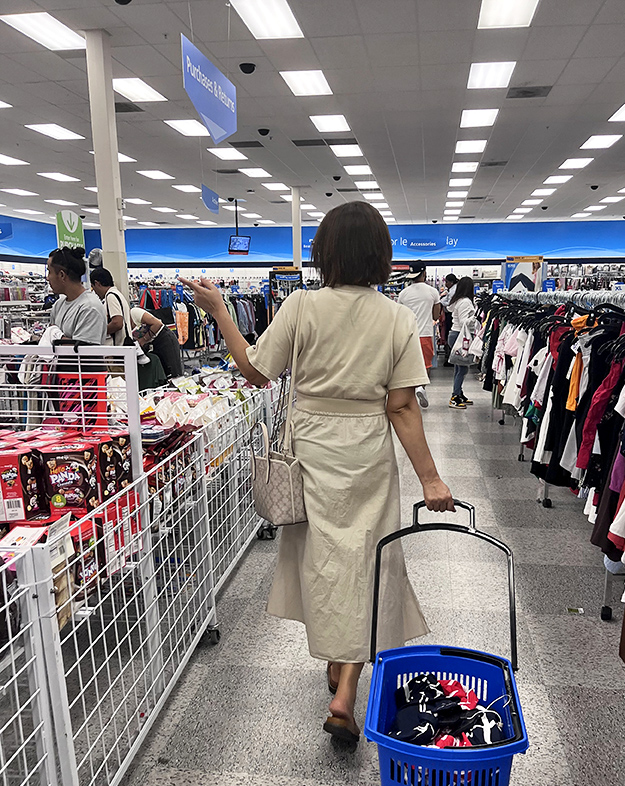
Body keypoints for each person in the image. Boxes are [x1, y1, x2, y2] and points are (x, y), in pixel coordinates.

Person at [179, 201, 455, 744]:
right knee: (368, 560)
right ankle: (346, 684)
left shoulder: (300, 307)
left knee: (326, 562)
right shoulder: (396, 317)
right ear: (382, 255)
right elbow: (401, 406)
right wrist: (430, 479)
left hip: (310, 449)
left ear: (323, 253)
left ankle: (341, 677)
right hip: (368, 455)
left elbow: (256, 370)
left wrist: (219, 312)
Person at [396, 262, 441, 408]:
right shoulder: (432, 292)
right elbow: (435, 316)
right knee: (425, 364)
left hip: (406, 335)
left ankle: (409, 393)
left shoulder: (404, 293)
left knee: (408, 365)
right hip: (425, 334)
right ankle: (421, 388)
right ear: (424, 273)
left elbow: (399, 315)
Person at [47, 247, 107, 345]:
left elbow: (83, 353)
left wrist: (57, 336)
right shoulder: (58, 305)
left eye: (49, 272)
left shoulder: (90, 308)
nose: (47, 278)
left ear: (62, 275)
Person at [447, 275, 476, 410]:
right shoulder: (465, 302)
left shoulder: (458, 301)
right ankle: (455, 396)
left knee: (459, 367)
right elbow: (464, 322)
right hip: (460, 336)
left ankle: (459, 393)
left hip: (455, 334)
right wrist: (475, 319)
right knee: (462, 367)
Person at [130, 306, 183, 378]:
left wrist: (143, 339)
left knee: (173, 372)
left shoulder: (134, 312)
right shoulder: (124, 326)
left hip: (165, 339)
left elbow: (158, 324)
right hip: (152, 345)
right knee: (161, 374)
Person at [90, 267, 134, 348]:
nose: (94, 292)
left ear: (97, 283)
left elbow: (117, 323)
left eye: (93, 287)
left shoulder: (111, 296)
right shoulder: (117, 294)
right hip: (125, 347)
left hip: (119, 347)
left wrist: (99, 333)